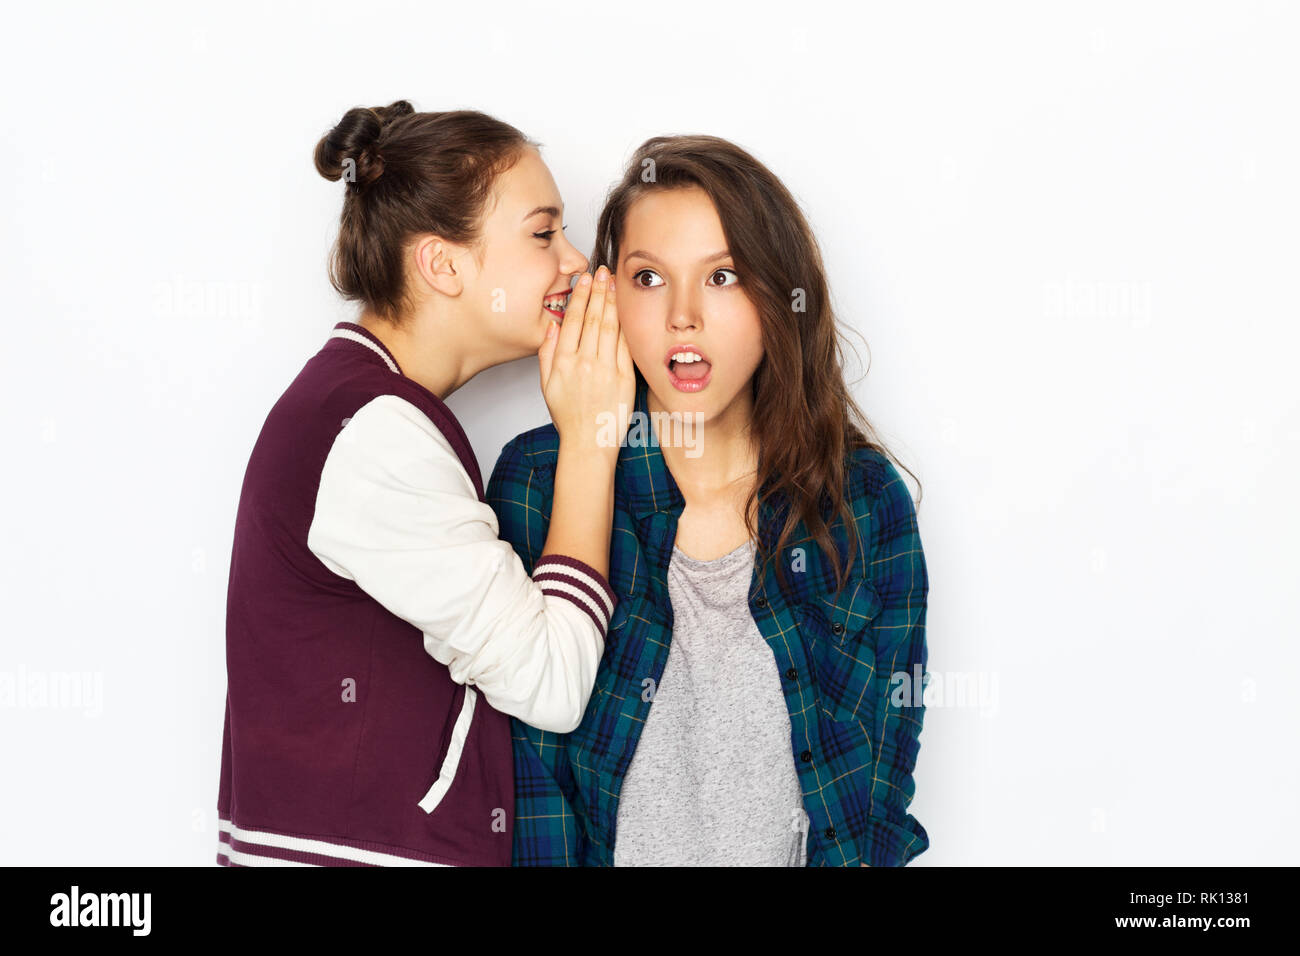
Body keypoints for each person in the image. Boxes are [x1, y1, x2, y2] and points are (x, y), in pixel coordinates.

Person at [489, 135, 930, 866]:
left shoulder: (863, 501)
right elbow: (526, 786)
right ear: (605, 296)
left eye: (723, 276)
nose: (683, 315)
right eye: (649, 278)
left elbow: (879, 785)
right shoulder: (541, 481)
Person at [215, 101, 635, 866]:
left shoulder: (363, 409)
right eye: (543, 234)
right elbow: (552, 682)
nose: (576, 263)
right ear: (442, 265)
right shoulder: (371, 431)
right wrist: (592, 438)